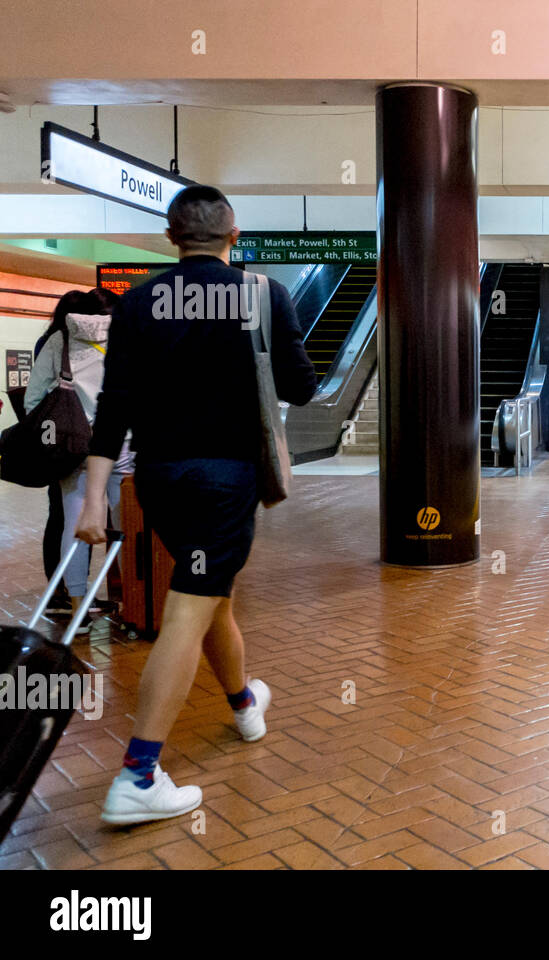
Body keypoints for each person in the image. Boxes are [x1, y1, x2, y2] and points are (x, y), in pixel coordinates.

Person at [74, 184, 318, 825]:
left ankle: (243, 706)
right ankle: (138, 776)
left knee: (210, 596)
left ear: (171, 238)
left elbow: (112, 411)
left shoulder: (134, 304)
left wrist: (94, 497)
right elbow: (301, 385)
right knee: (188, 610)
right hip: (224, 480)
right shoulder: (263, 295)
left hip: (158, 480)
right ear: (234, 236)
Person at [24, 287, 128, 630]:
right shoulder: (129, 334)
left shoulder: (60, 341)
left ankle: (78, 609)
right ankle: (136, 602)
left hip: (74, 446)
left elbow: (33, 400)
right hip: (124, 445)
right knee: (131, 526)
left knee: (74, 525)